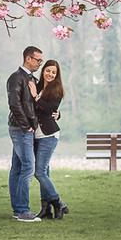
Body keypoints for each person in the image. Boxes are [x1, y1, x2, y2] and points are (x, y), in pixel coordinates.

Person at [6, 45, 43, 221]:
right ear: (28, 58)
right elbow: (14, 104)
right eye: (38, 60)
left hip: (24, 128)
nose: (40, 64)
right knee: (29, 166)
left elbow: (34, 104)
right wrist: (26, 125)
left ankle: (17, 210)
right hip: (21, 129)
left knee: (18, 168)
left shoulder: (31, 79)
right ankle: (22, 210)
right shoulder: (16, 78)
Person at [33, 59, 69, 220]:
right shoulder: (38, 85)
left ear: (57, 75)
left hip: (49, 135)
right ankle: (46, 209)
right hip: (36, 134)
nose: (50, 74)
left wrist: (36, 97)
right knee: (44, 172)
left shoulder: (57, 90)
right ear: (43, 71)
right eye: (48, 70)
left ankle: (57, 202)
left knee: (39, 172)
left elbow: (49, 109)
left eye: (53, 72)